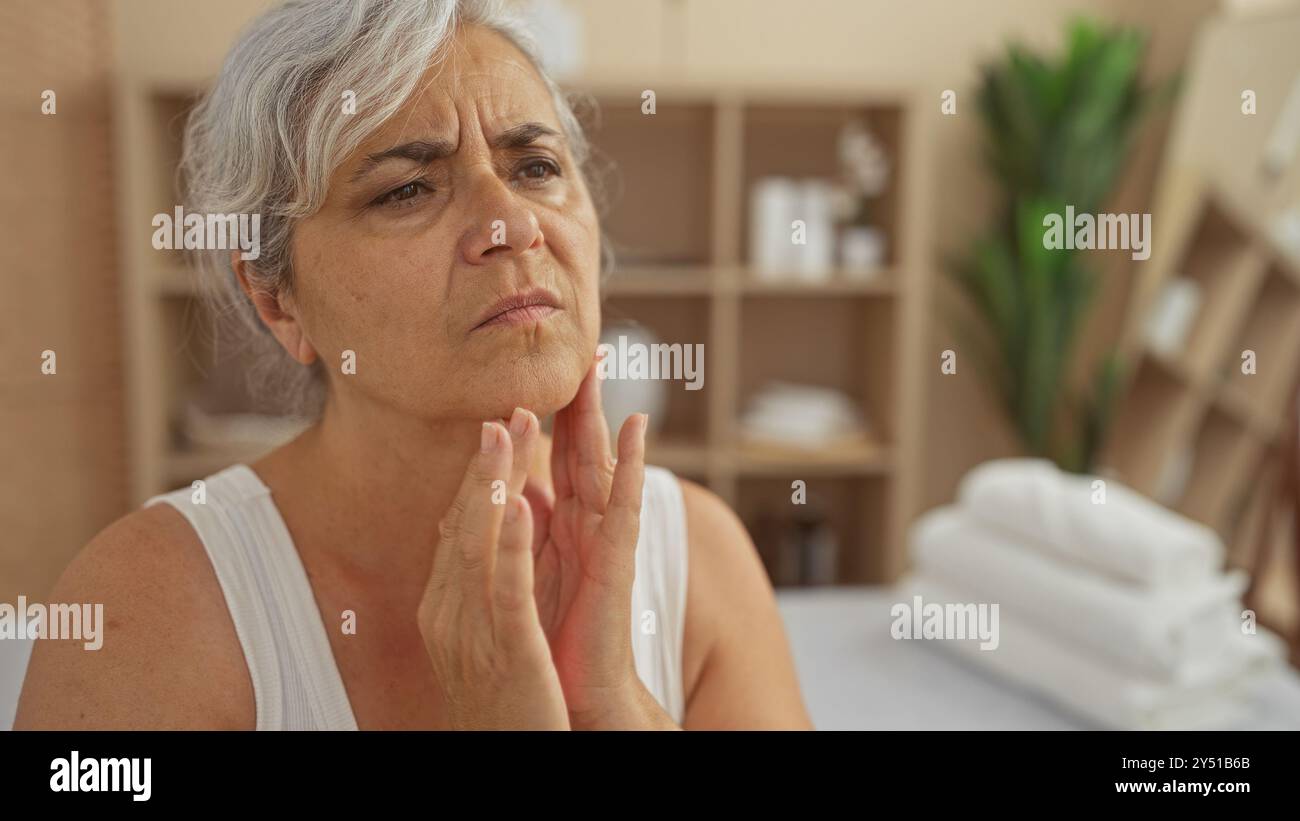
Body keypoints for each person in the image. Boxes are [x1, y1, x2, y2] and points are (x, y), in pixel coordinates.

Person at [15, 0, 812, 730]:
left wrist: (614, 708)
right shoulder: (143, 614)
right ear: (277, 300)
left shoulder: (701, 560)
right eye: (407, 190)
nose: (510, 222)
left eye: (534, 166)